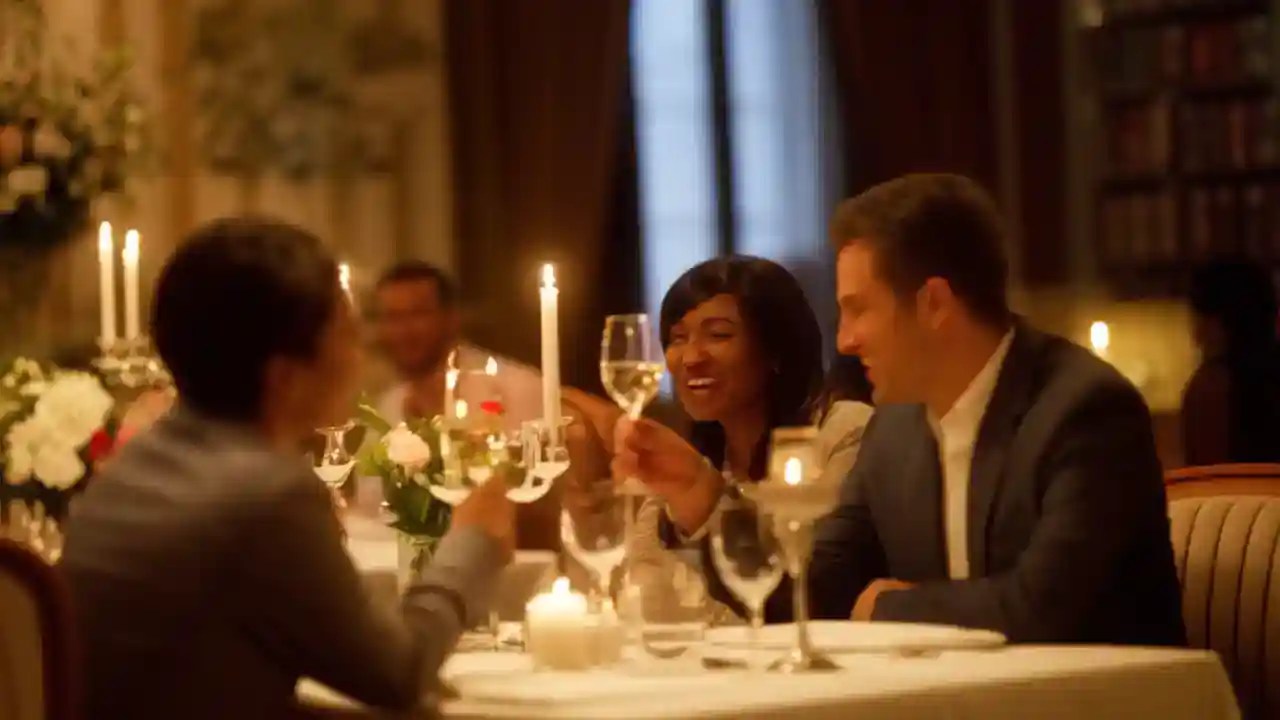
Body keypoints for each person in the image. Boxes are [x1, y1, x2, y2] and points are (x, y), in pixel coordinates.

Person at [619, 174, 1185, 645]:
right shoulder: (897, 430)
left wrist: (886, 605)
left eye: (859, 310)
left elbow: (1041, 610)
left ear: (933, 304)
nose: (844, 340)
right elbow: (809, 593)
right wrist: (699, 494)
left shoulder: (1083, 411)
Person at [60, 218, 515, 719]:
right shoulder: (267, 494)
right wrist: (472, 542)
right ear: (285, 377)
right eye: (346, 336)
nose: (360, 358)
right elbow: (397, 673)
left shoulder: (135, 464)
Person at [615, 256, 874, 618]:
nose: (691, 358)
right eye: (677, 338)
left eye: (718, 334)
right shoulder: (693, 460)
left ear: (775, 348)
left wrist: (704, 499)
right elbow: (637, 593)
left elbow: (810, 592)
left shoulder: (843, 431)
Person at [372, 261, 544, 430]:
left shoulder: (514, 391)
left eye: (418, 314)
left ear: (451, 318)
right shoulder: (387, 410)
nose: (403, 330)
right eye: (392, 317)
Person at [1181, 259, 1280, 465]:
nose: (1195, 337)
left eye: (1200, 321)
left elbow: (1206, 476)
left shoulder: (1210, 387)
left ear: (1220, 324)